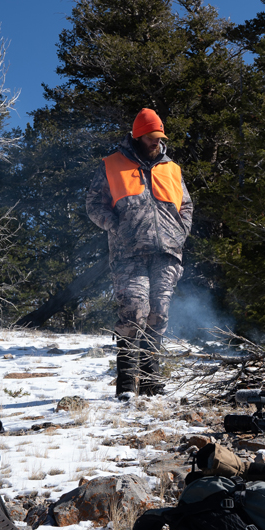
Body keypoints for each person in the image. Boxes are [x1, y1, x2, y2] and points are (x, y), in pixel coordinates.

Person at [86, 108, 193, 399]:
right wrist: (116, 226)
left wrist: (180, 232)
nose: (156, 142)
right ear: (137, 136)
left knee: (159, 314)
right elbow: (93, 204)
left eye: (159, 137)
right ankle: (125, 385)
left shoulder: (172, 169)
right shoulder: (111, 164)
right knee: (134, 312)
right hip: (128, 254)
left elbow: (186, 205)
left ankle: (150, 384)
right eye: (150, 137)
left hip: (167, 253)